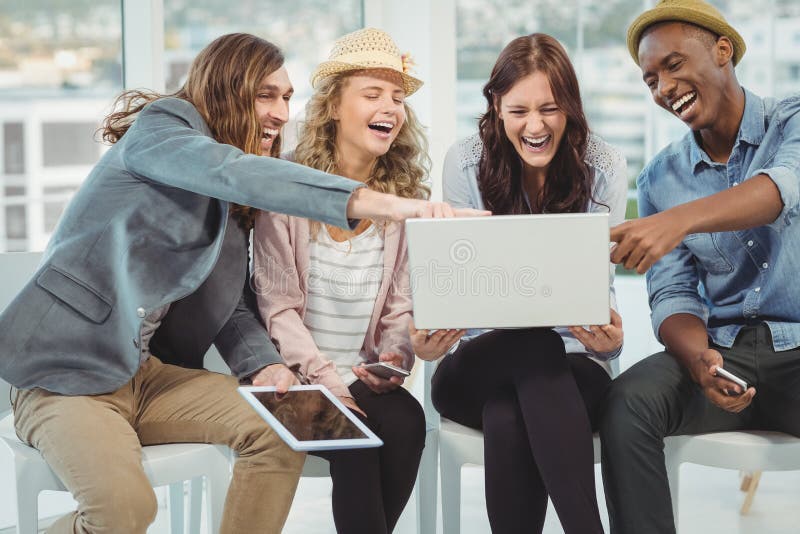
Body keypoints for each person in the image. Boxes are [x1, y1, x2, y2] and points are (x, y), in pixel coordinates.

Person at [0, 33, 455, 534]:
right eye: (266, 95)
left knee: (285, 429)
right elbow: (234, 172)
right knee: (124, 514)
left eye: (286, 97)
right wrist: (388, 204)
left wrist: (265, 366)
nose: (282, 113)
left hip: (147, 377)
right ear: (224, 90)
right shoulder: (162, 132)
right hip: (67, 378)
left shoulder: (228, 204)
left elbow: (235, 304)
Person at [252, 28, 474, 534]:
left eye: (397, 98)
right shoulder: (286, 190)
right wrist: (331, 384)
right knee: (354, 440)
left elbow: (400, 308)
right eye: (372, 94)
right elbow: (277, 309)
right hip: (294, 382)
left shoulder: (400, 200)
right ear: (333, 107)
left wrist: (396, 359)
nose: (390, 108)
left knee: (407, 421)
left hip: (360, 378)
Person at [600, 1, 800, 532]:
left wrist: (677, 223)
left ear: (722, 50)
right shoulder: (661, 177)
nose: (664, 87)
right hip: (723, 349)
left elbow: (780, 190)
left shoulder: (792, 122)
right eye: (650, 80)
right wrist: (698, 361)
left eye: (673, 65)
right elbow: (673, 296)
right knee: (626, 405)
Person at [427, 33, 627, 534]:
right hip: (476, 365)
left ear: (570, 110)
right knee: (532, 344)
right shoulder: (466, 161)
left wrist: (610, 339)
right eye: (518, 110)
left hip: (571, 370)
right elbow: (461, 286)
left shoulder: (603, 168)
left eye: (550, 109)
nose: (535, 126)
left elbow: (595, 289)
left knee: (508, 416)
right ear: (496, 106)